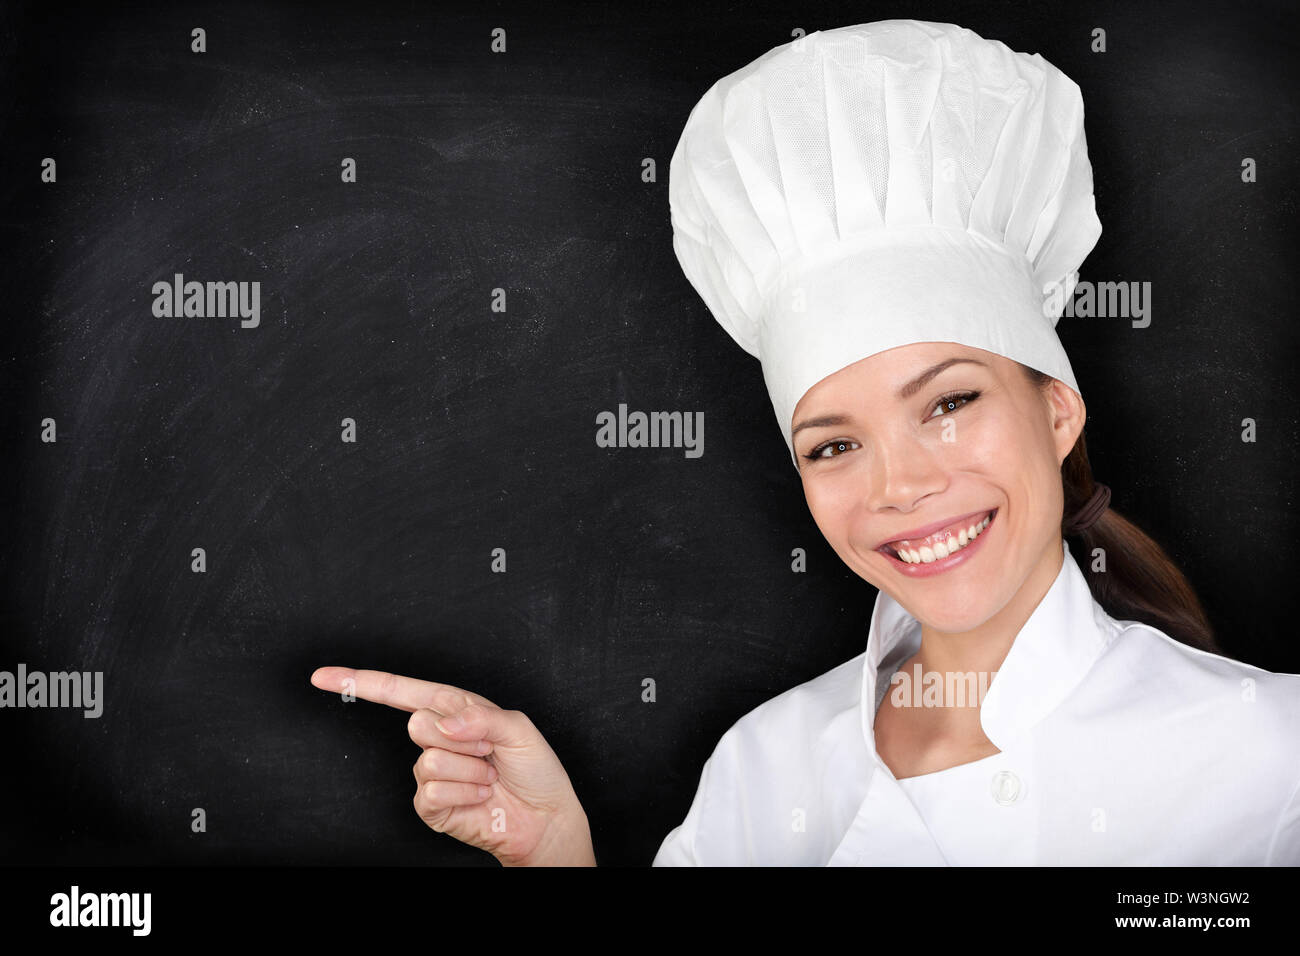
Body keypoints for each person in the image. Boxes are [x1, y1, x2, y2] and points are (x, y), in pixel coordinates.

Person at [309, 20, 1300, 865]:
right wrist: (559, 853)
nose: (901, 483)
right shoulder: (764, 762)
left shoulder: (1263, 755)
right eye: (832, 445)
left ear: (1056, 408)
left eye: (947, 401)